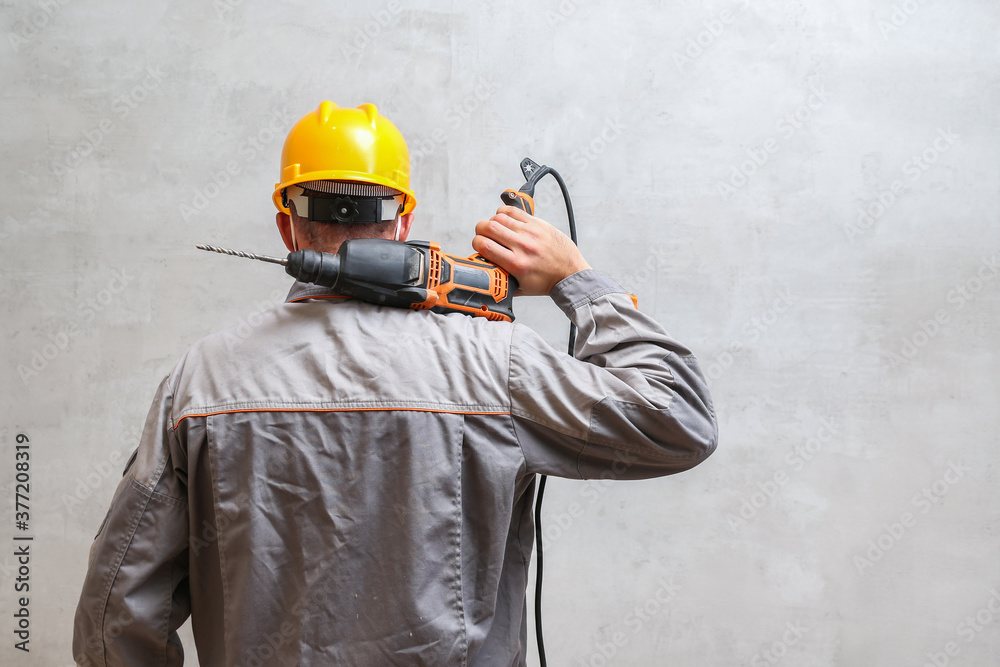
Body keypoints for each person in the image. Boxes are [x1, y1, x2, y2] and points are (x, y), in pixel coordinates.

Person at [73, 101, 717, 666]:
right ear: (402, 222)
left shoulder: (202, 380)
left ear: (285, 225)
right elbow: (679, 419)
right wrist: (578, 280)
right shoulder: (497, 363)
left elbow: (115, 617)